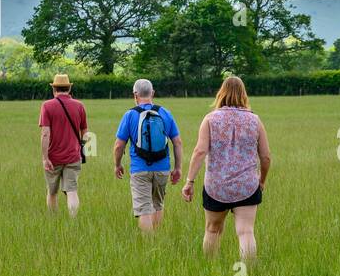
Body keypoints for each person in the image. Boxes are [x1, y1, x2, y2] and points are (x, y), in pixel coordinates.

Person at [181, 76, 271, 260]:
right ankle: (249, 274)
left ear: (221, 93)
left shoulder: (210, 119)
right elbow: (266, 156)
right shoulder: (255, 120)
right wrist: (261, 181)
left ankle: (209, 269)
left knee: (212, 230)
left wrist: (189, 181)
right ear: (243, 95)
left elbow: (199, 152)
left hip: (216, 186)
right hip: (247, 186)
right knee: (246, 232)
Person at [113, 79, 182, 233]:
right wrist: (178, 168)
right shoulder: (165, 113)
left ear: (135, 95)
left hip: (139, 169)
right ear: (152, 93)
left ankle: (148, 244)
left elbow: (119, 146)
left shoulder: (130, 115)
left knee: (144, 209)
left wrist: (117, 164)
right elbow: (177, 142)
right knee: (158, 205)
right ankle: (156, 238)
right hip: (162, 168)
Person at [38, 73, 88, 217]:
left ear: (54, 89)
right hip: (73, 156)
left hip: (53, 158)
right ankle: (73, 221)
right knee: (71, 191)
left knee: (52, 192)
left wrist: (45, 158)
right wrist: (80, 147)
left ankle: (54, 220)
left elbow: (45, 133)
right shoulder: (79, 106)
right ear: (69, 88)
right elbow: (85, 131)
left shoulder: (47, 106)